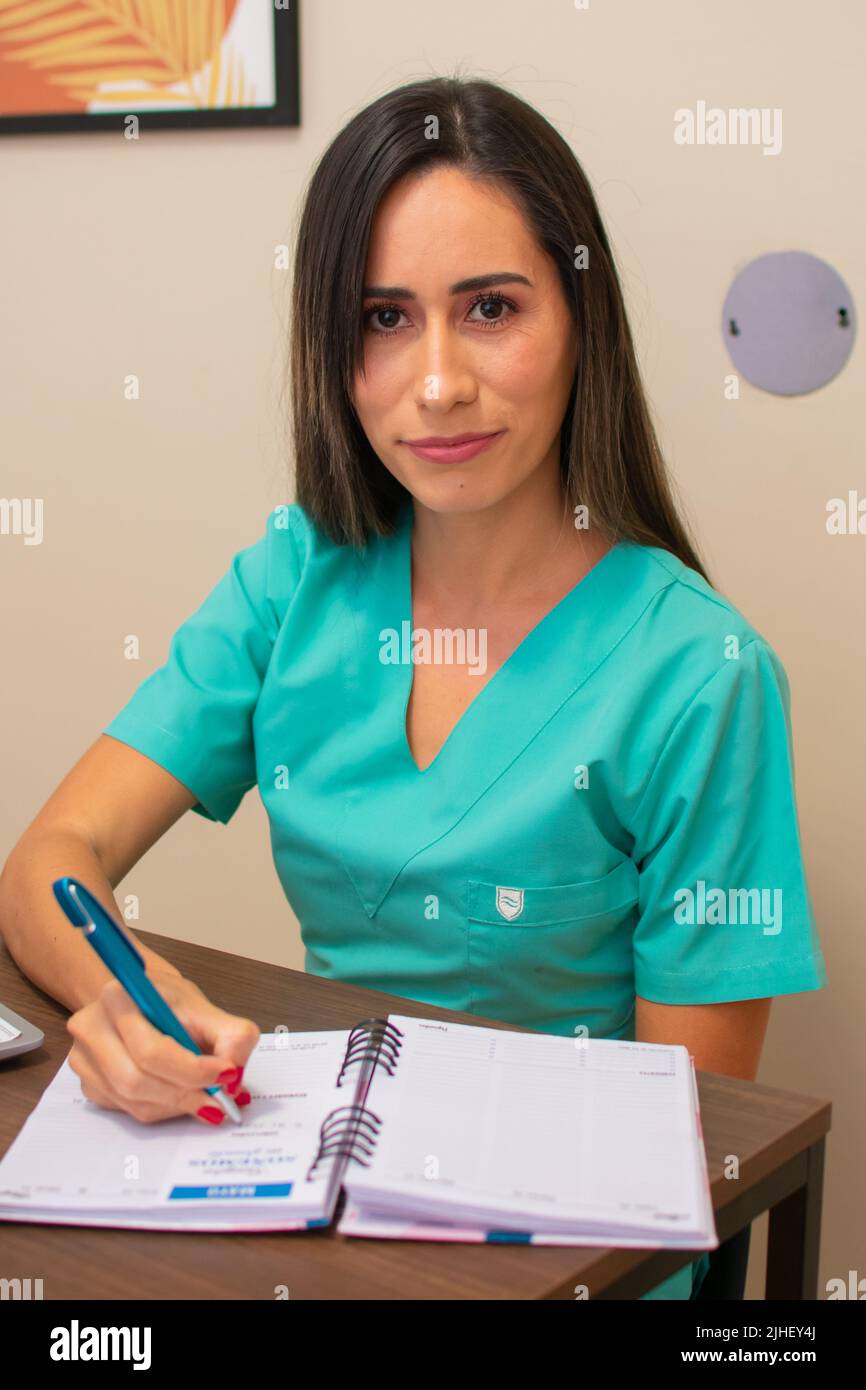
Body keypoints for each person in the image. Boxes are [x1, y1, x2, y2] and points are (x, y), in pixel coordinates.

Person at [0, 77, 827, 1300]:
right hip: (293, 1219)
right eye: (382, 318)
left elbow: (685, 1134)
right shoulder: (295, 580)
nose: (434, 382)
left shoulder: (697, 674)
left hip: (560, 1260)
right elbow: (47, 861)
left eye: (488, 307)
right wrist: (121, 994)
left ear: (578, 320)